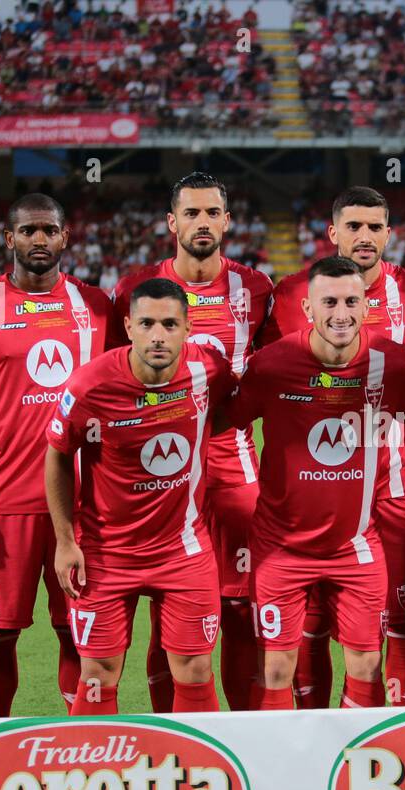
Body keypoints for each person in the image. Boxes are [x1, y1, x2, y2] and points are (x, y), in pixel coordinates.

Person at [0, 193, 111, 717]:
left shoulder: (98, 308)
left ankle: (86, 745)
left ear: (65, 237)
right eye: (29, 230)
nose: (40, 239)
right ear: (8, 238)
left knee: (78, 634)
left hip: (83, 506)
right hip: (2, 502)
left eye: (49, 230)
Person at [108, 172, 272, 712]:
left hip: (230, 460)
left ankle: (245, 733)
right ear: (172, 222)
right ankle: (169, 731)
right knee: (166, 602)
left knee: (239, 606)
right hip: (159, 468)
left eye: (212, 213)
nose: (203, 223)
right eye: (192, 214)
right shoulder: (134, 292)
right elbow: (115, 378)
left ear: (227, 220)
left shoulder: (258, 290)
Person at [229, 256, 405, 710]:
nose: (342, 313)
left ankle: (355, 767)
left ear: (366, 307)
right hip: (281, 546)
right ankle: (277, 771)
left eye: (352, 301)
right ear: (309, 309)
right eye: (330, 301)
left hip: (355, 545)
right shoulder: (272, 366)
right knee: (276, 668)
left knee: (366, 664)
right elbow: (220, 421)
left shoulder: (390, 364)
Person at [45, 278, 234, 715]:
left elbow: (231, 409)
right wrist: (65, 541)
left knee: (194, 669)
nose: (158, 335)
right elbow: (56, 455)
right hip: (107, 552)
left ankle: (197, 776)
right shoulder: (89, 386)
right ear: (128, 326)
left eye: (170, 324)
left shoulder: (209, 370)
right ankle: (93, 779)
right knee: (98, 675)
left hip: (183, 550)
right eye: (147, 323)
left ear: (188, 328)